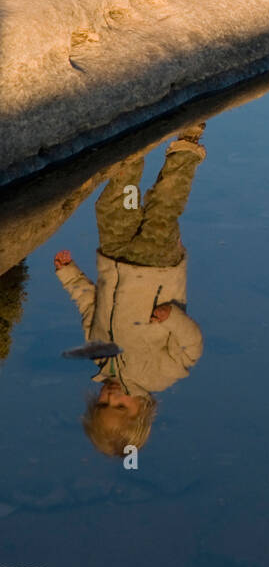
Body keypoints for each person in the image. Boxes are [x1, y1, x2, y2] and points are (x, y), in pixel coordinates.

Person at [53, 125, 207, 456]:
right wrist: (171, 319)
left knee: (113, 207)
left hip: (114, 257)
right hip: (156, 266)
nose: (110, 396)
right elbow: (192, 348)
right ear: (141, 411)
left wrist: (69, 275)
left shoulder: (99, 355)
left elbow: (90, 306)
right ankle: (187, 143)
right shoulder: (159, 377)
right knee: (162, 209)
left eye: (104, 403)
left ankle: (133, 152)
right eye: (120, 406)